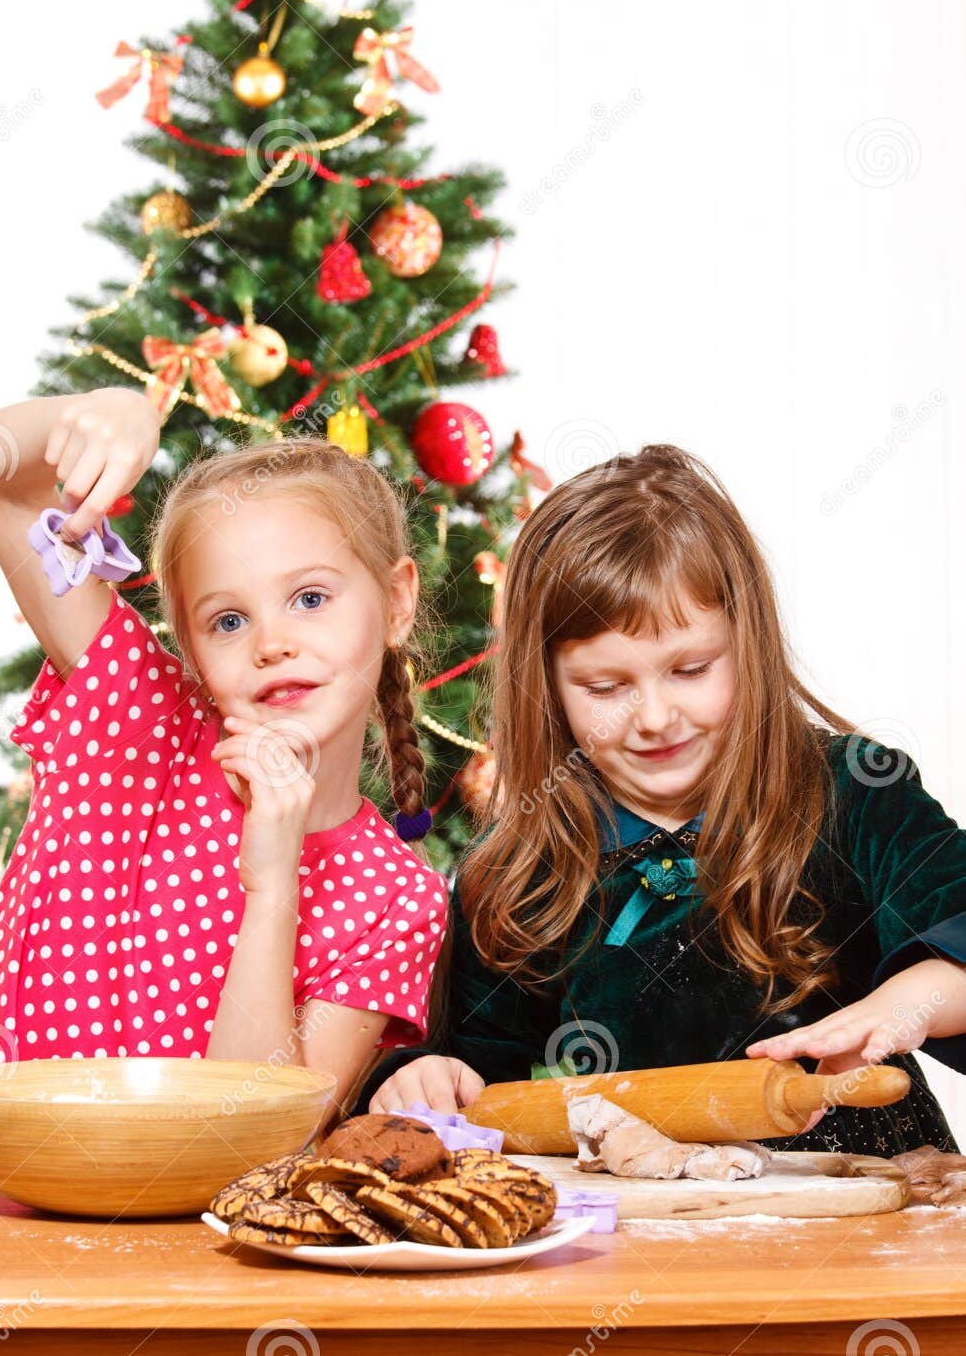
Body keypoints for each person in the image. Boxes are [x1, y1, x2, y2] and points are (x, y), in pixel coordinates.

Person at [0, 388, 446, 1184]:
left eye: (310, 598)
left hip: (172, 1252)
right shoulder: (137, 719)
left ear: (395, 602)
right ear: (189, 645)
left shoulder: (396, 900)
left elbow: (251, 1149)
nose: (271, 642)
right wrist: (107, 410)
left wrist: (272, 885)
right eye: (228, 620)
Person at [361, 445, 966, 1157]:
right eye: (606, 687)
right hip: (638, 1213)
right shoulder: (514, 874)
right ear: (547, 687)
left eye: (690, 670)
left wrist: (908, 1002)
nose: (653, 718)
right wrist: (428, 1075)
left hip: (875, 1195)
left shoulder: (855, 795)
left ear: (747, 644)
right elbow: (478, 1084)